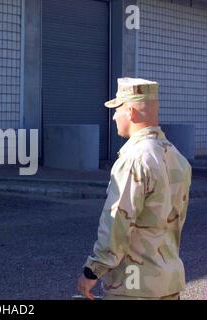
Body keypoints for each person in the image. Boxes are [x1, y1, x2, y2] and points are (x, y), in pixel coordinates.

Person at [77, 78, 192, 300]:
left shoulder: (134, 160)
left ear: (130, 112)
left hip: (134, 285)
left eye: (117, 109)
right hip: (168, 280)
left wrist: (93, 271)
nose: (113, 116)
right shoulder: (178, 158)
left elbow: (117, 220)